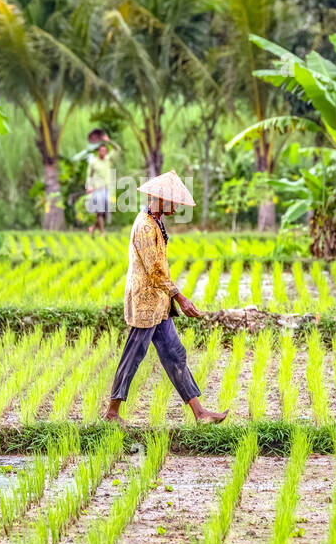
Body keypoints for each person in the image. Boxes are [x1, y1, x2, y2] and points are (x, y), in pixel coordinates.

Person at [104, 170, 228, 424]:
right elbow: (155, 271)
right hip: (145, 304)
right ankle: (111, 412)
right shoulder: (145, 227)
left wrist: (172, 299)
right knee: (133, 355)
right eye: (172, 203)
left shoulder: (156, 223)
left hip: (159, 304)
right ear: (159, 200)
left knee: (174, 353)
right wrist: (181, 298)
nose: (175, 209)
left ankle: (200, 413)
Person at [84, 135, 112, 235]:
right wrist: (89, 186)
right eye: (101, 150)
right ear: (98, 151)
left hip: (106, 189)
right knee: (99, 211)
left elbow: (118, 149)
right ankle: (102, 232)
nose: (103, 152)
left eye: (105, 150)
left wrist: (109, 141)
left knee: (104, 212)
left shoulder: (108, 160)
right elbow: (89, 175)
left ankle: (92, 227)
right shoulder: (93, 162)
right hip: (96, 189)